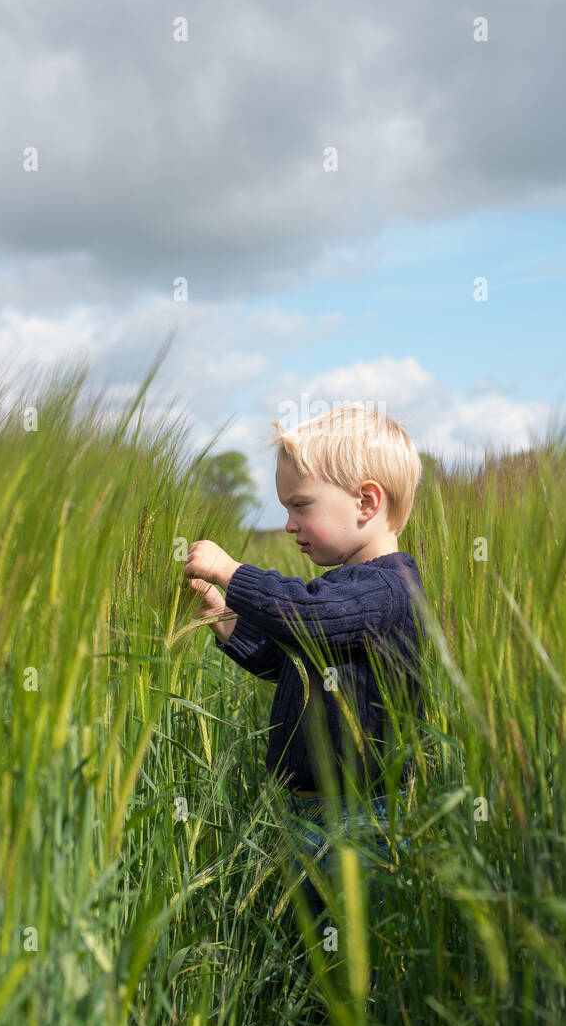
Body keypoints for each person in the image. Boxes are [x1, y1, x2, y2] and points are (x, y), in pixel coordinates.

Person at [183, 402, 427, 989]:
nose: (290, 523)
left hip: (361, 816)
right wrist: (228, 624)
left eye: (301, 506)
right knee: (312, 949)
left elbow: (310, 620)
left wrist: (232, 572)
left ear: (367, 503)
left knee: (351, 950)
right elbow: (293, 663)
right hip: (307, 810)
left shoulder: (387, 588)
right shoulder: (343, 590)